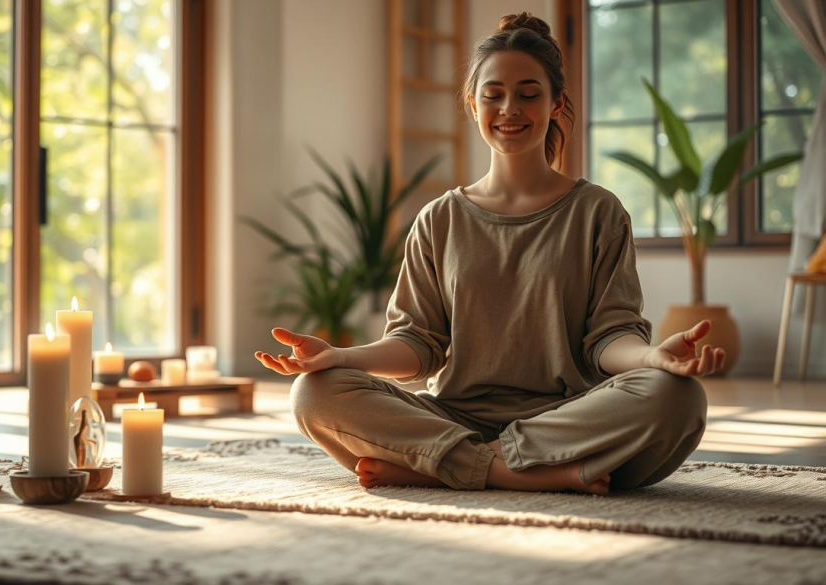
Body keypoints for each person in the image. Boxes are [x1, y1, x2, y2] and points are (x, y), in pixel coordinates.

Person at [255, 12, 726, 495]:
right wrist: (339, 356)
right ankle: (517, 472)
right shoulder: (439, 219)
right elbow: (417, 347)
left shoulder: (598, 212)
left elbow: (608, 338)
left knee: (677, 397)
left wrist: (652, 358)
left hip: (571, 419)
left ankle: (437, 467)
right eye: (493, 94)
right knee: (315, 392)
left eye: (528, 94)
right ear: (472, 102)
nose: (509, 109)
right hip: (455, 416)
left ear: (555, 102)